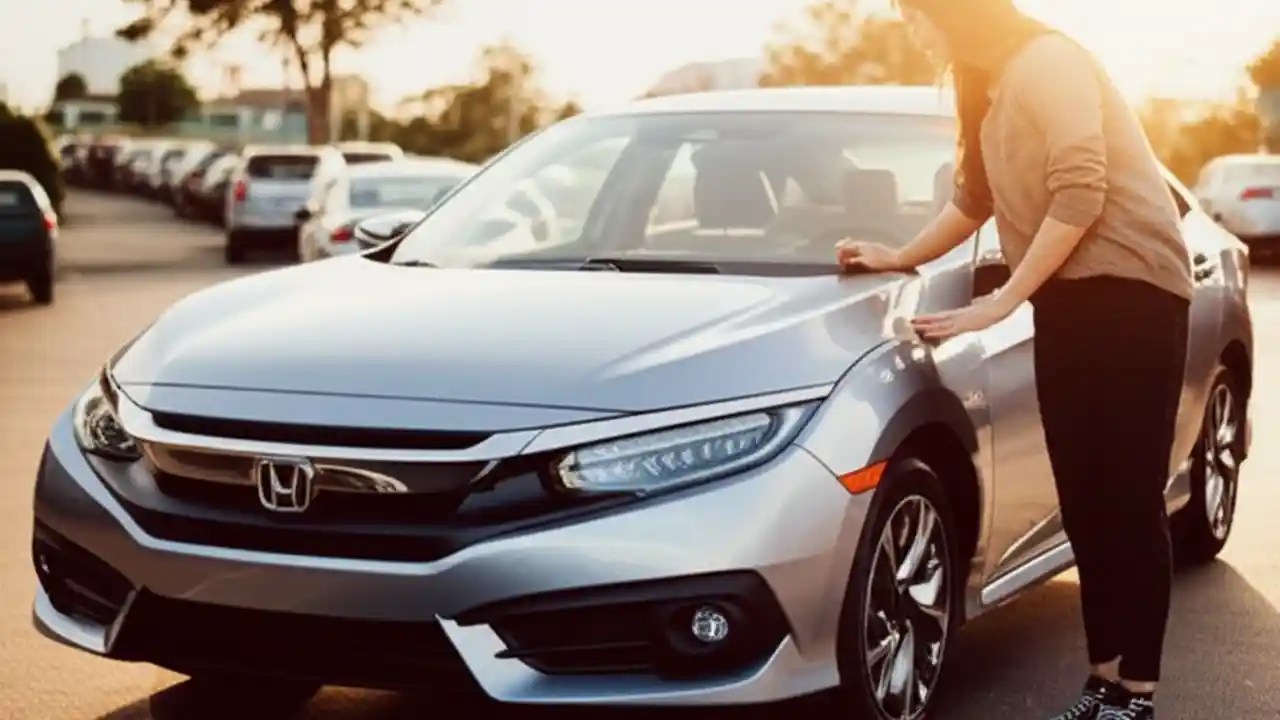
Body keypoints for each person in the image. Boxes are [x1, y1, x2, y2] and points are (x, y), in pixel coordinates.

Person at [835, 1, 1193, 718]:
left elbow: (1081, 191)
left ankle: (1139, 694)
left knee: (1126, 500)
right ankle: (1103, 682)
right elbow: (974, 199)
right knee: (1085, 505)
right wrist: (899, 255)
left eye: (916, 17)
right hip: (1067, 303)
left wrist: (1004, 301)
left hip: (1136, 294)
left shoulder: (1048, 62)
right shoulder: (984, 88)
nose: (912, 31)